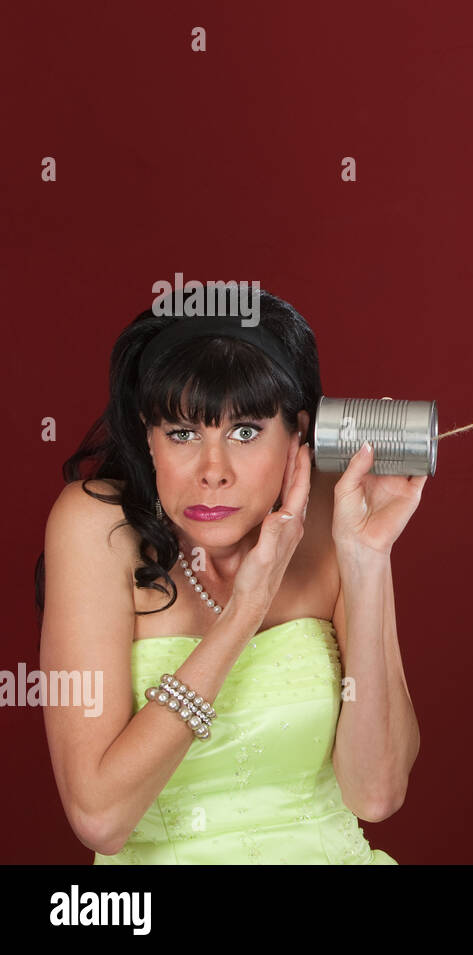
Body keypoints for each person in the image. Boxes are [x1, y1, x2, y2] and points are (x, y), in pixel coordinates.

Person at [36, 289, 424, 864]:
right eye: (183, 433)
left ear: (298, 433)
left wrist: (366, 557)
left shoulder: (334, 516)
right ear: (147, 436)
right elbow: (100, 818)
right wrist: (245, 610)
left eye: (245, 432)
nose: (212, 472)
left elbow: (376, 793)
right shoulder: (96, 527)